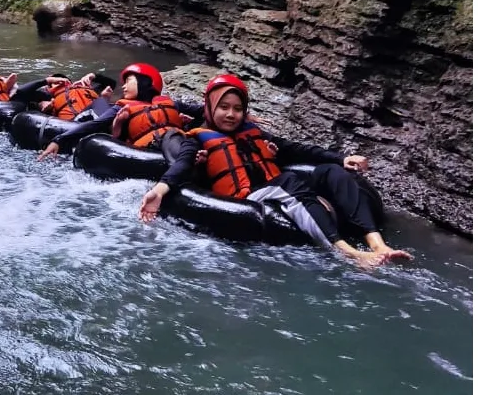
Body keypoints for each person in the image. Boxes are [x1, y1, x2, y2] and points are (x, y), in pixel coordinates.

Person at [138, 72, 412, 268]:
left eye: (237, 109)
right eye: (223, 107)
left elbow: (297, 149)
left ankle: (376, 243)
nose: (231, 114)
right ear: (210, 106)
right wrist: (159, 191)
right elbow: (182, 164)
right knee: (288, 183)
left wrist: (341, 159)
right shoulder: (197, 138)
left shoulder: (253, 132)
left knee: (332, 172)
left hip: (276, 183)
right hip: (246, 197)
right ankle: (349, 253)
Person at [36, 64, 201, 160]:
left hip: (174, 146)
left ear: (144, 82)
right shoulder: (122, 107)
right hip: (145, 152)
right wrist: (59, 139)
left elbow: (204, 111)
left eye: (128, 81)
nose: (123, 86)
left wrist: (188, 126)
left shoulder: (170, 103)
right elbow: (95, 124)